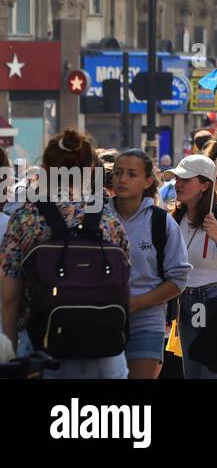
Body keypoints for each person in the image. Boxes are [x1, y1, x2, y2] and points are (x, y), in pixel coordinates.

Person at [0, 130, 132, 379]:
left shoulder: (26, 218)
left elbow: (10, 298)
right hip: (106, 352)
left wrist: (10, 353)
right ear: (90, 171)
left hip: (44, 351)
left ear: (46, 169)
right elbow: (124, 284)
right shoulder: (108, 219)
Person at [108, 150, 191, 379]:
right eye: (118, 173)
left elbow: (178, 279)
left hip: (147, 320)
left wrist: (137, 303)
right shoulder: (96, 218)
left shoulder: (160, 221)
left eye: (131, 174)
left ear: (147, 181)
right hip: (101, 318)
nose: (122, 179)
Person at [168, 153, 217, 379]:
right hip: (185, 301)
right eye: (177, 179)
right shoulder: (175, 217)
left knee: (213, 372)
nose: (178, 185)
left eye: (185, 180)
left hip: (216, 301)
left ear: (205, 184)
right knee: (191, 371)